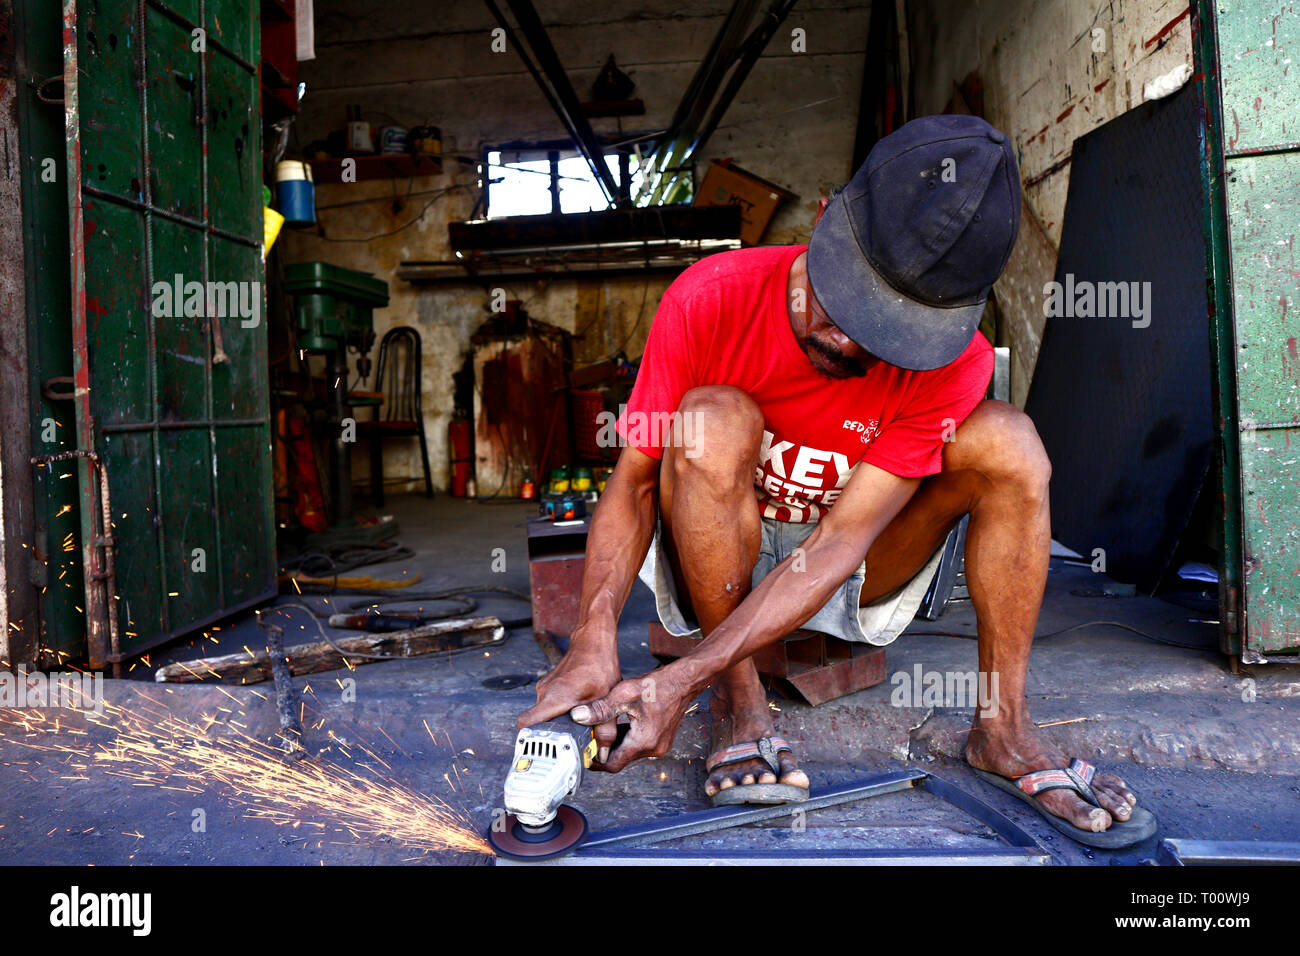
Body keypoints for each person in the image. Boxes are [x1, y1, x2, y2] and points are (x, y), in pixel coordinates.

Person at [519, 114, 1154, 848]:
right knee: (712, 417)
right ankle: (740, 698)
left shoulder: (957, 363)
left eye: (890, 329)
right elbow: (631, 484)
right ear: (826, 219)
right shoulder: (709, 298)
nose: (850, 340)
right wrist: (593, 634)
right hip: (713, 556)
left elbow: (838, 542)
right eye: (847, 302)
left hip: (851, 566)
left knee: (1010, 440)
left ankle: (1004, 729)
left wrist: (673, 680)